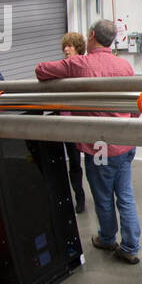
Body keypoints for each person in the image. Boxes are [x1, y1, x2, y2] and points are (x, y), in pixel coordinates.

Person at [35, 19, 141, 265]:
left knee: (104, 196)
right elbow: (135, 104)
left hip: (100, 147)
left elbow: (41, 70)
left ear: (92, 36)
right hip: (125, 142)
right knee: (125, 196)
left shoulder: (79, 64)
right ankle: (131, 245)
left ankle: (106, 238)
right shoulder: (124, 65)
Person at [59, 32, 86, 214]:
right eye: (65, 46)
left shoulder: (86, 67)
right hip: (69, 125)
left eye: (70, 46)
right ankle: (80, 197)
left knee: (96, 162)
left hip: (87, 123)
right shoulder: (61, 69)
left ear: (78, 47)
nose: (66, 49)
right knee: (74, 163)